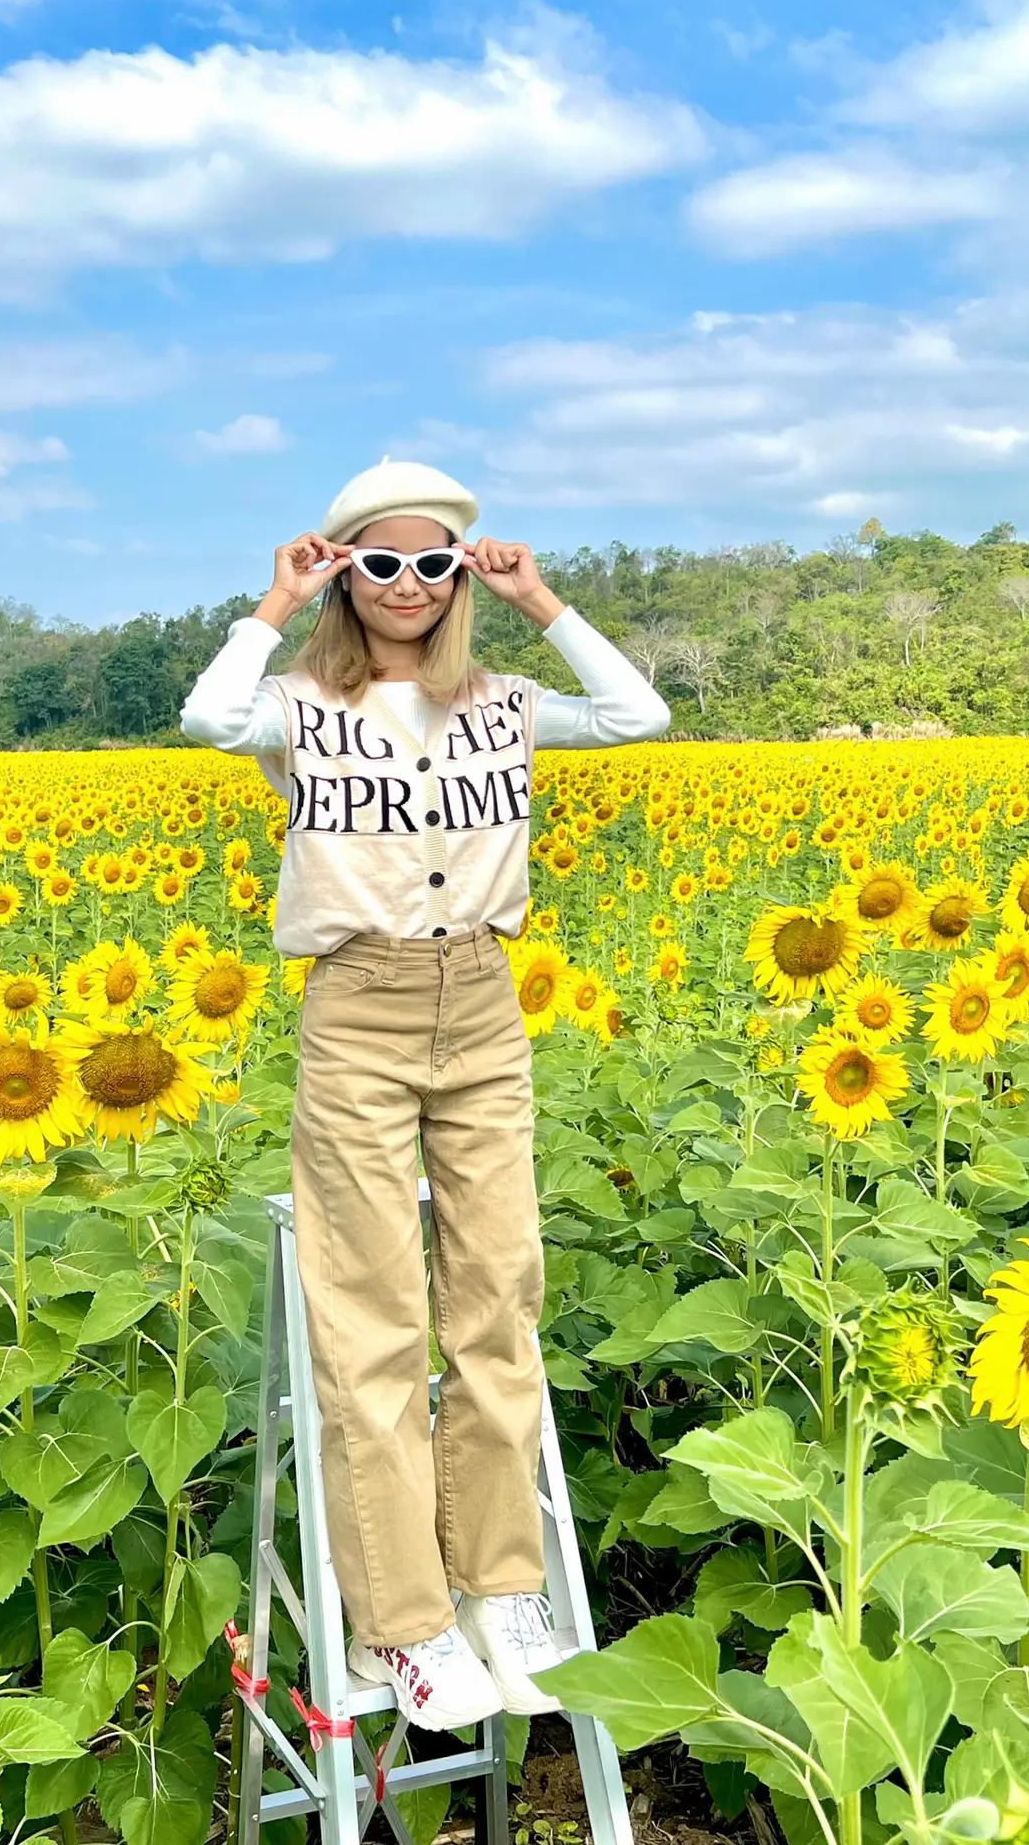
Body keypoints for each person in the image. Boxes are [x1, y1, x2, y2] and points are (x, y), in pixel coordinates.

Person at [180, 458, 670, 1732]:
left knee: (500, 1298)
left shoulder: (504, 702)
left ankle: (505, 1588)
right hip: (360, 1004)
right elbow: (203, 714)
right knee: (373, 1319)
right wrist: (275, 601)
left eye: (433, 560)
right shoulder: (297, 705)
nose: (408, 583)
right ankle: (405, 1621)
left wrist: (543, 600)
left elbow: (638, 714)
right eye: (380, 561)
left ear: (462, 571)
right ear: (349, 570)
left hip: (486, 1000)